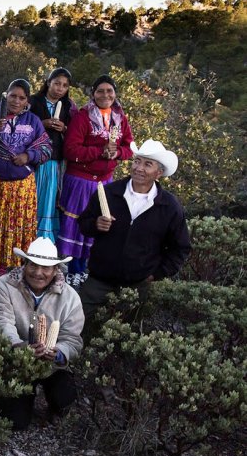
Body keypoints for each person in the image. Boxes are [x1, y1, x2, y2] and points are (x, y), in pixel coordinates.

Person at [77, 140, 191, 341]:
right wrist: (96, 224)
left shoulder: (169, 206)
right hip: (98, 281)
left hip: (137, 286)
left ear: (159, 173)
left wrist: (155, 274)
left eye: (148, 164)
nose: (139, 168)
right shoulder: (109, 192)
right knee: (75, 324)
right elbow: (83, 224)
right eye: (137, 161)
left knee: (124, 339)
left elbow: (180, 248)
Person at [0, 238, 84, 430]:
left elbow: (73, 340)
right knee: (15, 422)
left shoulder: (70, 298)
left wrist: (58, 352)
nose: (38, 273)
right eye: (33, 265)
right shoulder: (5, 285)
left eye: (46, 268)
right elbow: (2, 322)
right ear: (25, 264)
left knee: (64, 398)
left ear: (56, 270)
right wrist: (20, 347)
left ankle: (54, 405)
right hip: (17, 361)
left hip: (52, 366)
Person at [57, 74, 135, 286]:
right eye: (100, 91)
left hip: (105, 182)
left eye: (109, 91)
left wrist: (116, 153)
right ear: (93, 94)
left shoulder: (120, 117)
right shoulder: (83, 117)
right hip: (81, 180)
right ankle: (73, 270)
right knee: (77, 225)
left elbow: (130, 148)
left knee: (97, 225)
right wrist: (99, 152)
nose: (105, 95)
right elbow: (70, 150)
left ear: (115, 94)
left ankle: (85, 269)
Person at [0, 79, 52, 286]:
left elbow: (46, 147)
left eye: (21, 97)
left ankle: (3, 267)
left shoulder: (33, 120)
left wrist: (28, 156)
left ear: (27, 100)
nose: (16, 101)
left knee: (10, 227)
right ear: (5, 95)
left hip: (19, 186)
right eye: (13, 96)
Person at [29, 68, 75, 243]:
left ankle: (45, 237)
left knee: (50, 198)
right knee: (34, 196)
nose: (60, 88)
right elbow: (23, 124)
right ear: (48, 82)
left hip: (55, 160)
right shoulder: (34, 102)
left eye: (64, 85)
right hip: (34, 159)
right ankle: (29, 235)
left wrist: (63, 128)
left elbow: (74, 132)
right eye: (56, 83)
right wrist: (42, 123)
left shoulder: (69, 107)